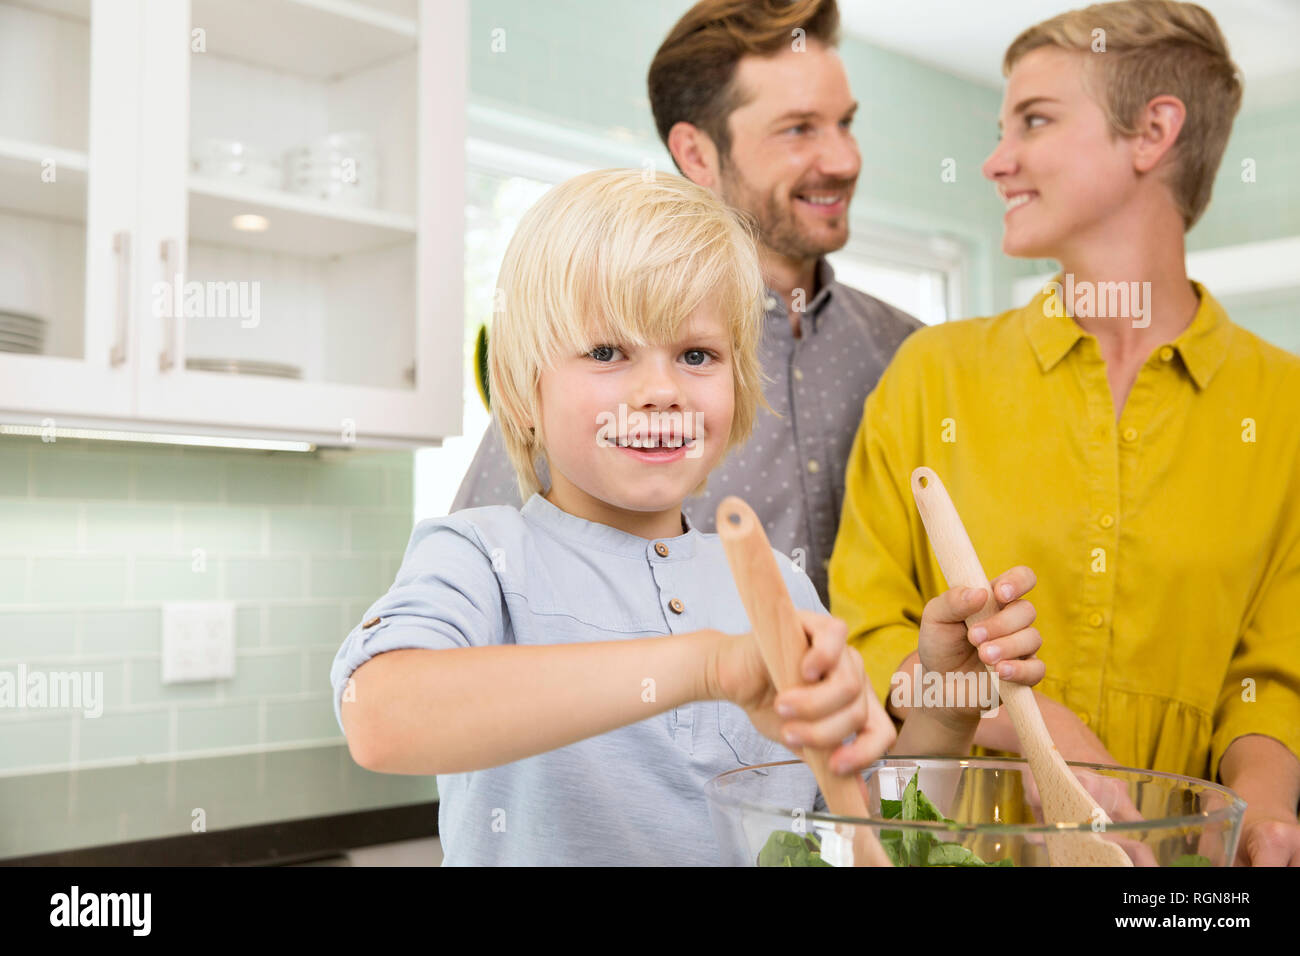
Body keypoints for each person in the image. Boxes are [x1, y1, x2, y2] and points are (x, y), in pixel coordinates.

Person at [330, 169, 1045, 866]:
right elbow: (379, 716)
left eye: (696, 354)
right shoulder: (479, 556)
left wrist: (946, 706)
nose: (660, 390)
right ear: (521, 394)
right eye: (607, 351)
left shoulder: (781, 590)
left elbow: (866, 846)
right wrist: (707, 665)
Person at [829, 0, 1300, 865]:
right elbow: (870, 642)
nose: (996, 161)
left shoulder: (1285, 407)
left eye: (1034, 121)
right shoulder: (933, 375)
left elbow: (1271, 681)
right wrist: (1049, 733)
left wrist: (1260, 818)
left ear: (1153, 132)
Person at [451, 0, 921, 607]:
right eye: (799, 129)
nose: (844, 161)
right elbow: (477, 605)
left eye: (846, 124)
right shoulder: (590, 366)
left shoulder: (904, 348)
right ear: (697, 154)